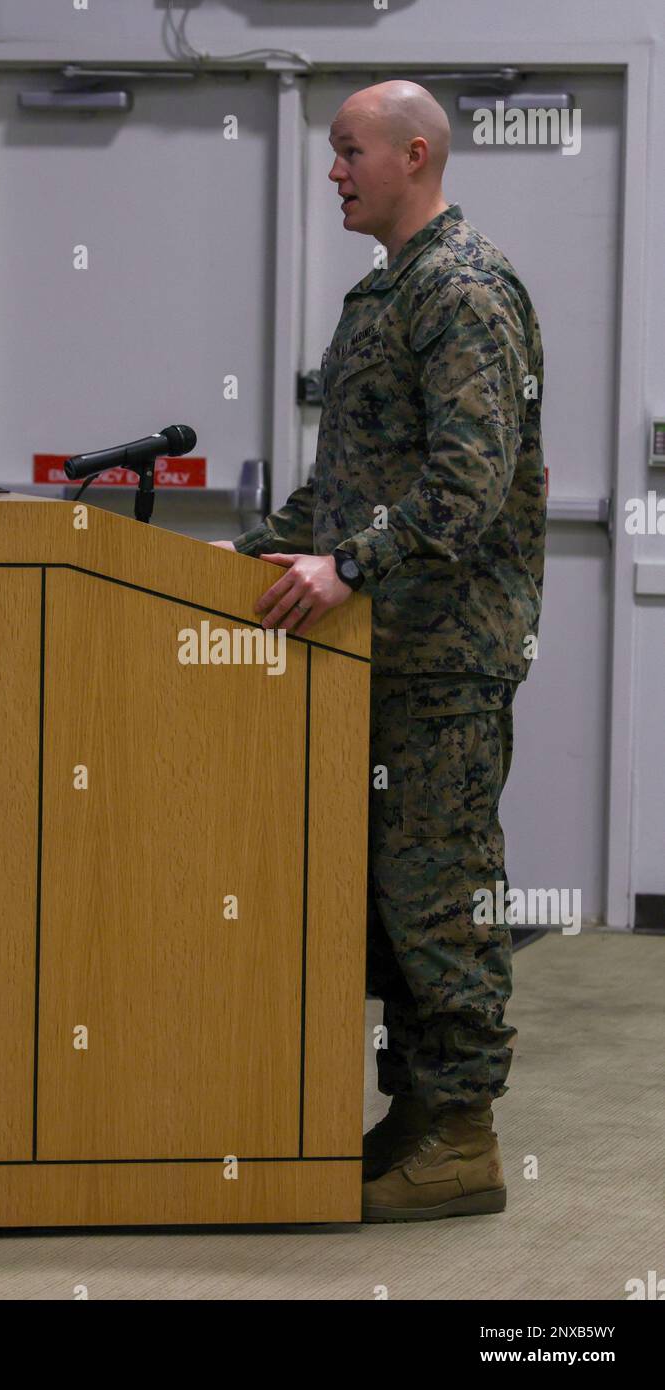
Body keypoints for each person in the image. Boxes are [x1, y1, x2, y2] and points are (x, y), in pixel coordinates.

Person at [212, 79, 545, 1223]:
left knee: (439, 897)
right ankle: (412, 1116)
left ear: (414, 154)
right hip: (372, 654)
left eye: (349, 151)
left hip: (440, 659)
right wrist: (237, 560)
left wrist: (345, 567)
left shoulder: (460, 290)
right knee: (381, 907)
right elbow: (343, 482)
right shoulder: (380, 295)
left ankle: (462, 1135)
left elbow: (465, 483)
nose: (332, 170)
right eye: (330, 152)